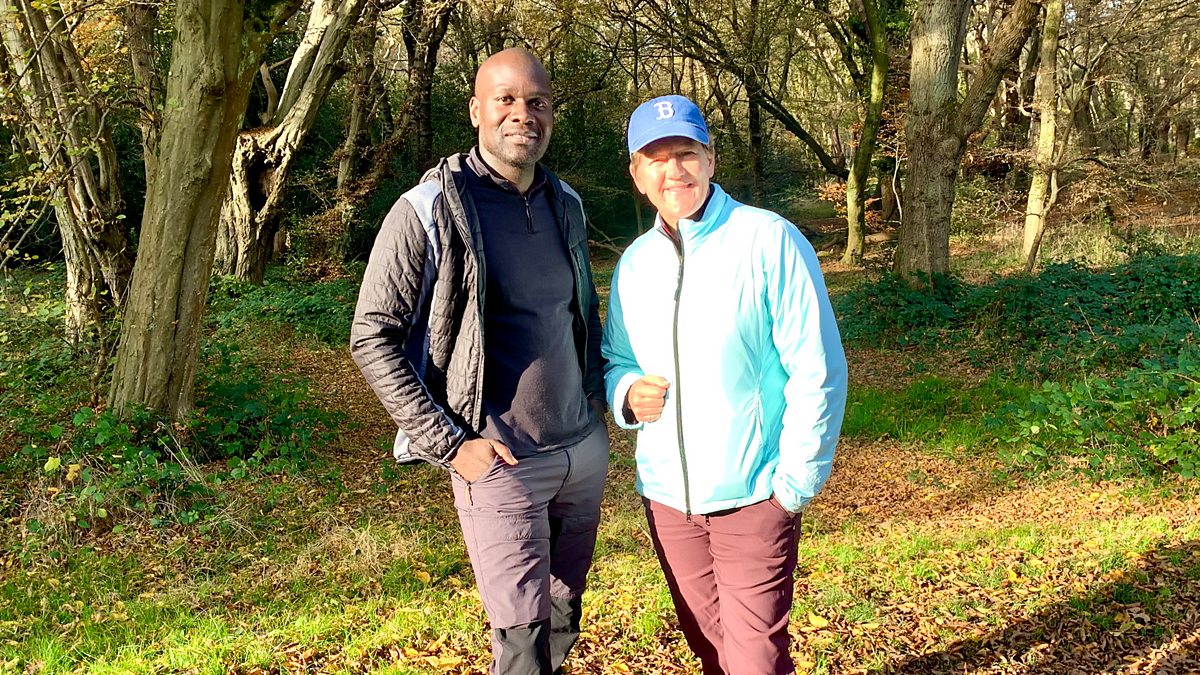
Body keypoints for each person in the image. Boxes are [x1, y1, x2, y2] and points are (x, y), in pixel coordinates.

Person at [350, 48, 609, 675]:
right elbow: (370, 337)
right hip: (498, 459)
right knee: (521, 640)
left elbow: (579, 313)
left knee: (563, 614)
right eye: (506, 99)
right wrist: (448, 443)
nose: (523, 113)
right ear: (476, 110)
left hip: (581, 451)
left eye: (536, 102)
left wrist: (600, 405)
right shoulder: (427, 209)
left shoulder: (564, 202)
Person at [601, 94, 848, 675]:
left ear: (710, 159)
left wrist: (793, 484)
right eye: (656, 158)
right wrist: (627, 391)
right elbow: (614, 357)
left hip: (754, 496)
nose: (674, 170)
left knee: (754, 659)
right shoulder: (634, 265)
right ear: (638, 175)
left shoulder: (768, 240)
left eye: (685, 153)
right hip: (666, 500)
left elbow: (818, 369)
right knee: (711, 650)